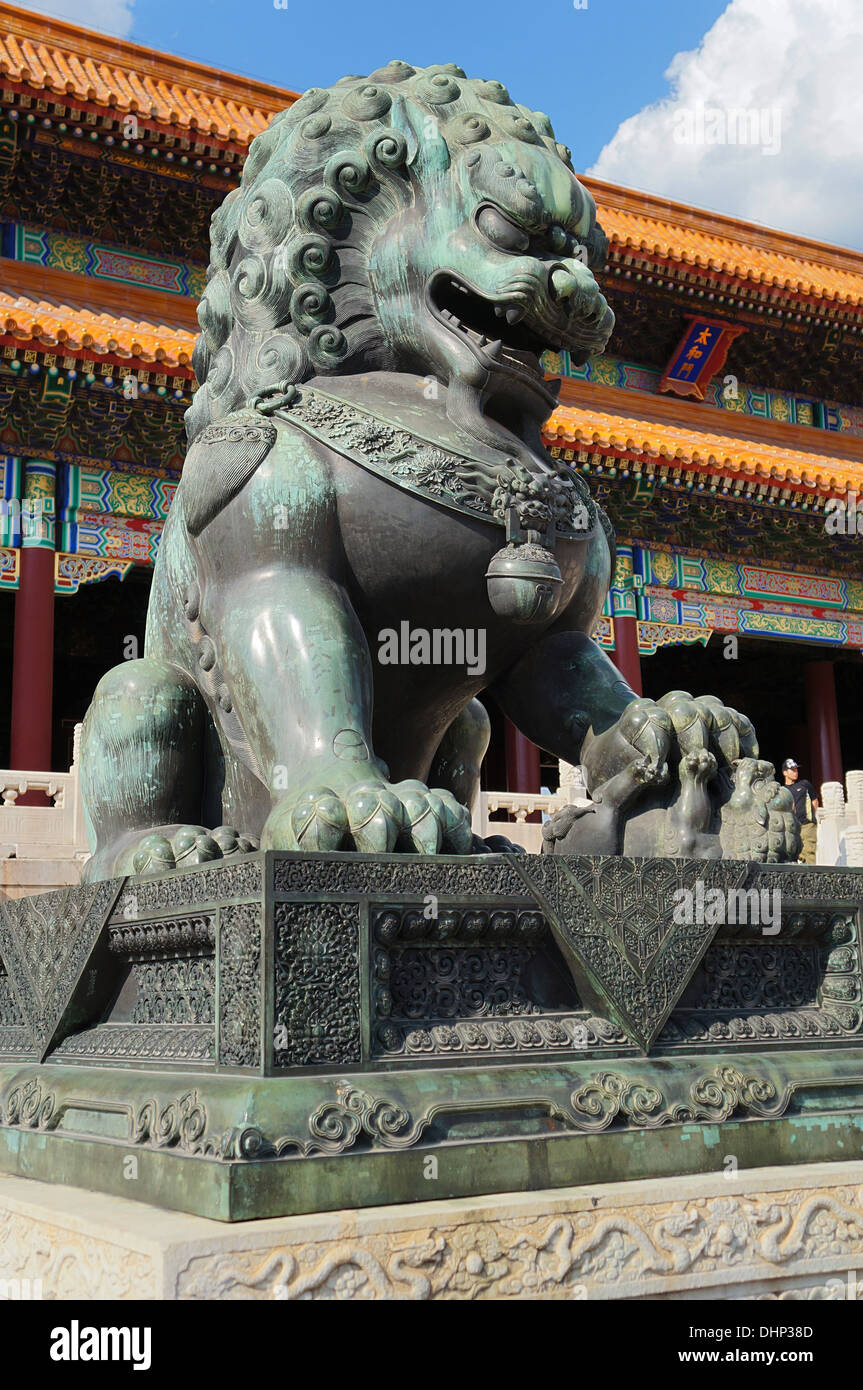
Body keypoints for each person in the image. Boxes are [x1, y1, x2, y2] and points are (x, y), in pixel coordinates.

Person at [782, 759, 819, 864]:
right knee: (793, 854)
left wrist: (810, 817)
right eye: (792, 770)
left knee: (809, 852)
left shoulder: (804, 785)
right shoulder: (782, 790)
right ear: (785, 772)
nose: (795, 772)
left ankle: (812, 877)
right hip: (792, 828)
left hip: (807, 825)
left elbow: (815, 801)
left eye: (796, 770)